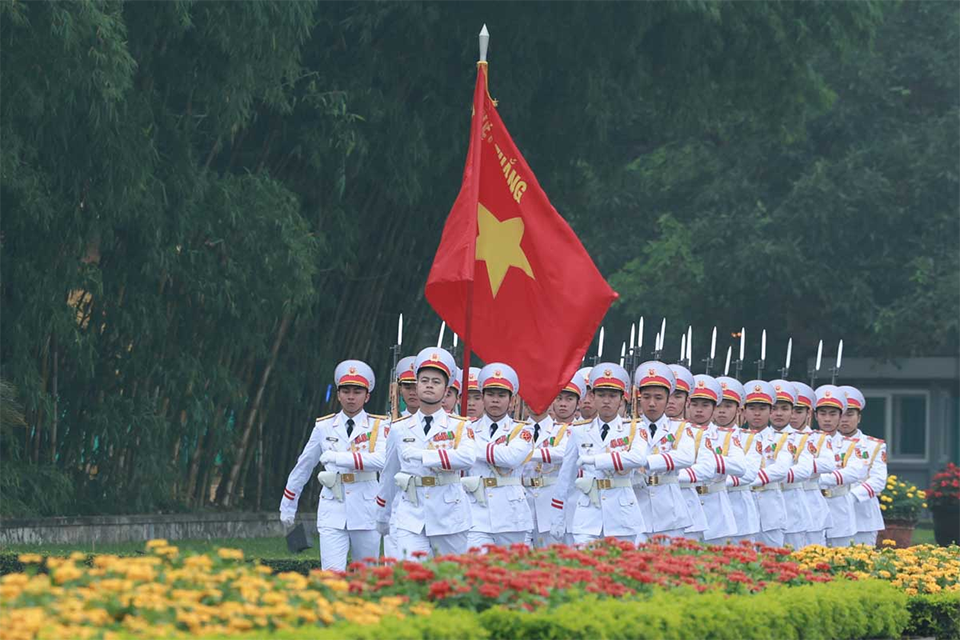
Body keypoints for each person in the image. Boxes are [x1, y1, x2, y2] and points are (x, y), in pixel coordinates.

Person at [280, 360, 387, 570]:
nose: (351, 397)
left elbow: (381, 460)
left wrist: (338, 458)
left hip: (366, 508)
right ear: (338, 394)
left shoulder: (379, 425)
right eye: (345, 391)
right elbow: (304, 466)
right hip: (332, 506)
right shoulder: (324, 426)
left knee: (365, 575)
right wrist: (288, 503)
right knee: (331, 575)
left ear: (367, 396)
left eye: (357, 391)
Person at [375, 347, 476, 560]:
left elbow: (468, 458)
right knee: (411, 575)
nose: (429, 385)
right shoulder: (399, 428)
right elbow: (389, 473)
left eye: (436, 382)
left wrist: (424, 455)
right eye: (424, 380)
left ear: (447, 389)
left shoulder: (460, 426)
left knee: (450, 578)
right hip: (411, 513)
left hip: (449, 513)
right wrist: (382, 513)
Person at [551, 363, 648, 545]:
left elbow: (638, 458)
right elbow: (566, 476)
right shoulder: (579, 430)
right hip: (588, 513)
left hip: (622, 513)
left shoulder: (634, 428)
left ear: (621, 399)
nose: (606, 401)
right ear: (593, 397)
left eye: (612, 396)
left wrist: (596, 460)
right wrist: (557, 515)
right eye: (601, 395)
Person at [464, 363, 536, 550]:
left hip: (511, 513)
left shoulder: (522, 429)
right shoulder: (466, 427)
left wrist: (473, 447)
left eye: (502, 395)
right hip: (476, 510)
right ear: (483, 397)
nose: (496, 400)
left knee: (513, 571)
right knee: (474, 570)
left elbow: (512, 458)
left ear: (512, 400)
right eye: (491, 394)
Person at [679, 375, 744, 544]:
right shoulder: (677, 434)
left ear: (714, 408)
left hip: (716, 509)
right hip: (685, 505)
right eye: (694, 404)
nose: (699, 410)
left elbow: (740, 467)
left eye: (705, 405)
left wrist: (710, 462)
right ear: (687, 405)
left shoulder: (725, 437)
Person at [633, 361, 695, 540]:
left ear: (668, 399)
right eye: (646, 397)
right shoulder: (627, 428)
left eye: (658, 398)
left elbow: (686, 457)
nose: (652, 403)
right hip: (636, 505)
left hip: (670, 509)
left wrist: (645, 461)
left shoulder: (680, 428)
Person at [522, 373, 585, 547]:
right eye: (558, 398)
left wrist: (520, 453)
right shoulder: (523, 427)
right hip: (524, 498)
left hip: (552, 500)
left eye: (569, 399)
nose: (563, 404)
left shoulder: (575, 430)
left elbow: (563, 453)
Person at [815, 384, 869, 548]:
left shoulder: (853, 445)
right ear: (815, 416)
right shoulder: (803, 442)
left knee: (841, 561)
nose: (827, 419)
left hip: (839, 506)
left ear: (840, 416)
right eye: (823, 414)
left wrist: (817, 479)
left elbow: (855, 472)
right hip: (813, 506)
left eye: (833, 414)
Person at [742, 380, 792, 548]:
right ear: (744, 411)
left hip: (771, 509)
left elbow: (781, 469)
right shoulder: (734, 438)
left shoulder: (782, 439)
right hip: (742, 505)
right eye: (752, 408)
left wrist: (744, 480)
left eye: (762, 409)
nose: (757, 414)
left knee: (773, 560)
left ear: (770, 411)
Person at [768, 380, 815, 549]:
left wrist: (770, 476)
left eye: (785, 409)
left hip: (791, 504)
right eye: (774, 408)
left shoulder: (803, 438)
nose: (778, 413)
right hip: (764, 505)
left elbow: (804, 470)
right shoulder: (751, 436)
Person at [716, 376, 762, 543]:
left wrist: (713, 480)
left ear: (739, 411)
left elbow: (749, 474)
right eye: (718, 405)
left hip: (739, 508)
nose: (722, 410)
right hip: (711, 507)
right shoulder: (702, 435)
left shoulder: (749, 438)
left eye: (728, 406)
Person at [839, 386, 887, 546]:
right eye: (840, 414)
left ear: (859, 417)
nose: (844, 419)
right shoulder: (819, 442)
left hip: (862, 515)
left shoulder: (873, 446)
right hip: (831, 513)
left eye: (850, 414)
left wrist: (850, 497)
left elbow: (878, 480)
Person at [791, 380, 835, 547]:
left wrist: (798, 466)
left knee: (813, 550)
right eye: (791, 410)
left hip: (810, 499)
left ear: (808, 413)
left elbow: (828, 464)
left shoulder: (818, 438)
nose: (794, 416)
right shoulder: (773, 437)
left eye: (799, 411)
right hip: (783, 499)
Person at [668, 364, 708, 541]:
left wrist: (666, 477)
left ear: (687, 401)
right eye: (667, 395)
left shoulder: (697, 432)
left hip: (685, 504)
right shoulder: (635, 428)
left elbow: (706, 469)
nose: (671, 401)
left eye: (677, 396)